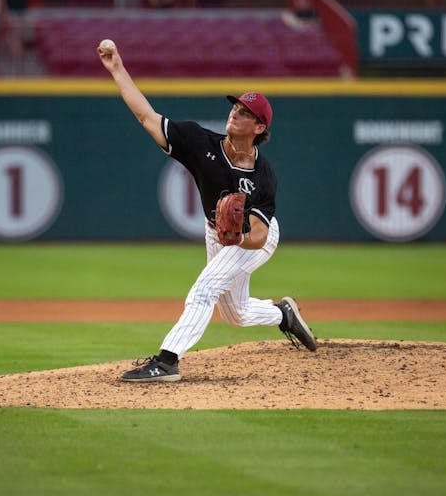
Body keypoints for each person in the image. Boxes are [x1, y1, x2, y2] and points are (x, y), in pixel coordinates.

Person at [97, 39, 317, 383]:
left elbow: (259, 236)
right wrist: (117, 69)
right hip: (217, 231)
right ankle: (282, 314)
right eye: (236, 107)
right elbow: (146, 116)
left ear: (260, 128)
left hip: (254, 238)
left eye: (246, 113)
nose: (236, 112)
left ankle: (167, 361)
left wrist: (238, 235)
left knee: (204, 288)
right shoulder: (201, 143)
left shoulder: (263, 175)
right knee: (236, 314)